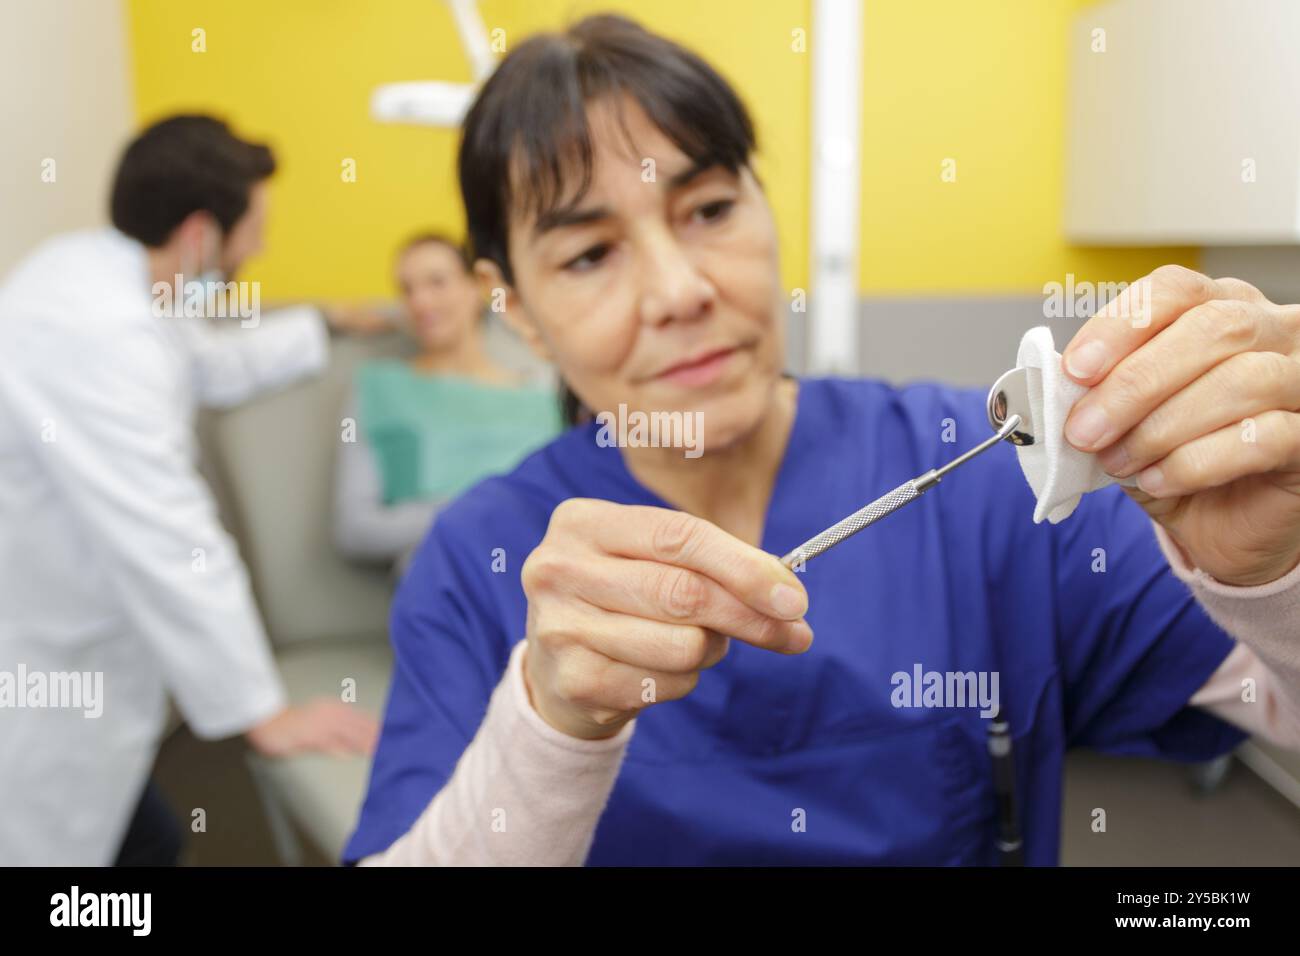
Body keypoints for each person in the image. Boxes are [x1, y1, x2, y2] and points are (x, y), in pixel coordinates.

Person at [344, 15, 1300, 866]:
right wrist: (552, 728)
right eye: (591, 253)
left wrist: (1271, 576)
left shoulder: (985, 480)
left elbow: (1278, 709)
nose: (680, 289)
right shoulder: (478, 564)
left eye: (710, 209)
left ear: (766, 204)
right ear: (517, 311)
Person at [0, 115, 378, 866]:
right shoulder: (98, 335)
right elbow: (170, 534)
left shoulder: (100, 275)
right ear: (204, 233)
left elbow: (207, 365)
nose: (262, 247)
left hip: (72, 648)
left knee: (145, 841)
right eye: (256, 229)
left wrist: (323, 323)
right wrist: (263, 710)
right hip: (42, 667)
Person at [332, 233, 561, 567]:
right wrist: (476, 510)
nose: (420, 302)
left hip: (545, 575)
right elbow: (354, 529)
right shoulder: (379, 389)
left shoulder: (542, 392)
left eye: (437, 283)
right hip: (442, 578)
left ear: (476, 287)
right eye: (407, 290)